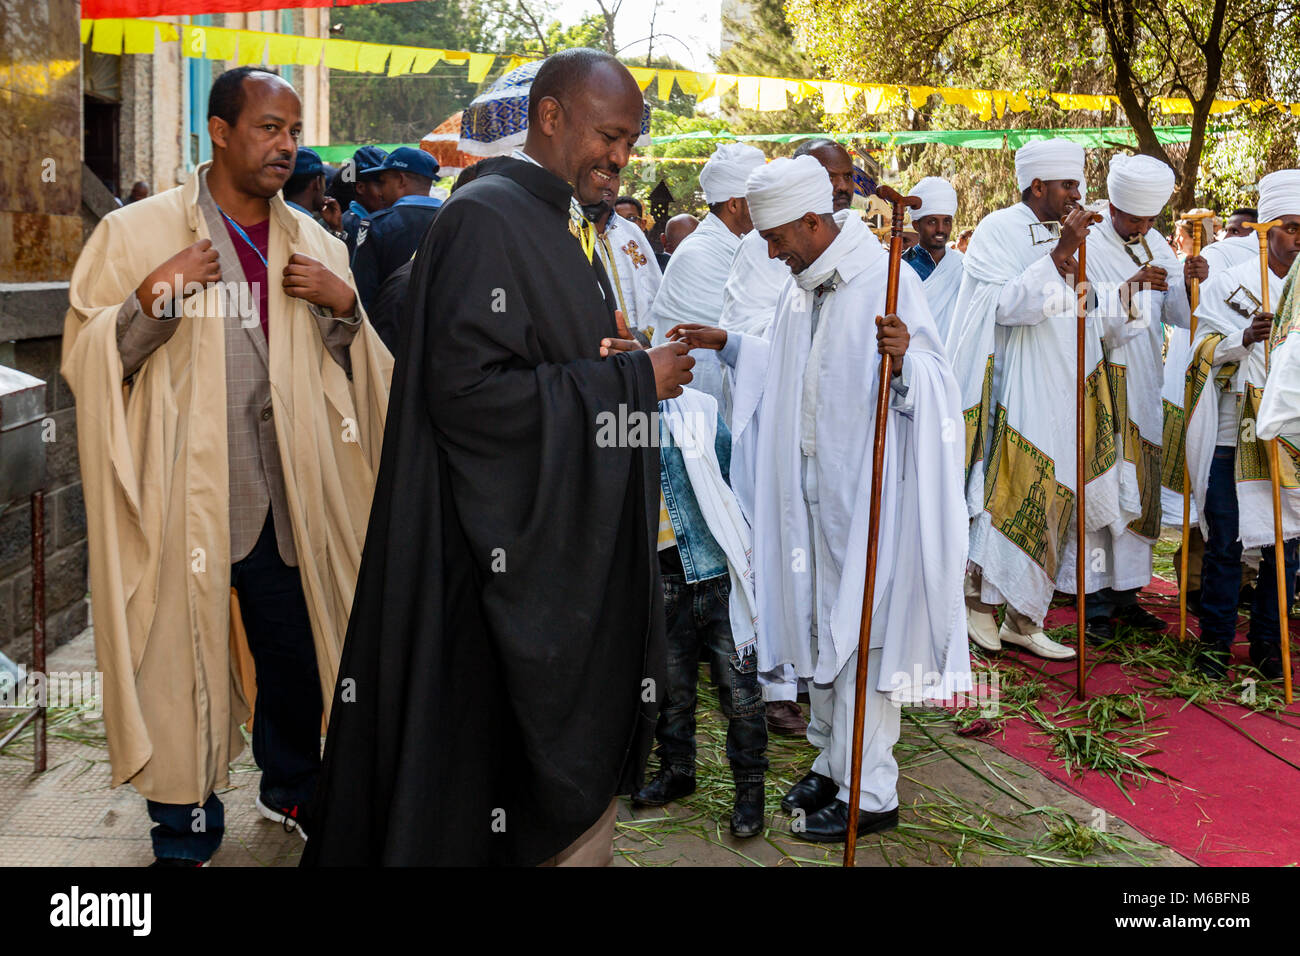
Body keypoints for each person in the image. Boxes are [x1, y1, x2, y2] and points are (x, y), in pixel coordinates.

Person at [302, 48, 695, 867]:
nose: (620, 158)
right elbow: (470, 397)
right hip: (484, 568)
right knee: (481, 781)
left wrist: (608, 361)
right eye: (609, 135)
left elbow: (536, 359)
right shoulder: (489, 216)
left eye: (631, 142)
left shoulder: (558, 222)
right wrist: (629, 378)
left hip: (542, 555)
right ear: (550, 118)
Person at [60, 66, 392, 867]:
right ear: (218, 131)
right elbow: (87, 358)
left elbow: (365, 373)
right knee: (178, 659)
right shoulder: (138, 234)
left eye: (293, 131)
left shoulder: (317, 242)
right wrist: (150, 300)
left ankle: (294, 786)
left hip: (289, 499)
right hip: (184, 494)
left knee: (301, 656)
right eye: (268, 128)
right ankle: (183, 824)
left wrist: (345, 311)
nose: (286, 145)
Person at [671, 155, 970, 842]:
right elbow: (787, 367)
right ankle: (833, 763)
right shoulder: (801, 285)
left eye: (777, 238)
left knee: (861, 635)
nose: (771, 253)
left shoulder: (884, 280)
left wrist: (907, 363)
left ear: (812, 221)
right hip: (809, 495)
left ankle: (872, 791)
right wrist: (731, 342)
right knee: (819, 627)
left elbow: (936, 384)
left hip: (865, 497)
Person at [946, 139, 1125, 661]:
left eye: (1078, 184)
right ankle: (979, 602)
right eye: (1068, 185)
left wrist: (1115, 290)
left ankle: (1026, 617)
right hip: (1015, 386)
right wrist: (1060, 254)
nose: (1077, 194)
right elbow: (1002, 306)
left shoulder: (1082, 236)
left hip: (1070, 384)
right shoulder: (998, 230)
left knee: (1057, 494)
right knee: (1010, 489)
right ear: (1037, 186)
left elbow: (1100, 312)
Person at [626, 376, 768, 838]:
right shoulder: (617, 421)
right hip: (662, 578)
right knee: (672, 687)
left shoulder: (697, 409)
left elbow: (734, 482)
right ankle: (677, 771)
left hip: (716, 571)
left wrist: (748, 559)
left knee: (740, 692)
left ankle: (749, 790)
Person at [1184, 170, 1300, 679]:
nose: (1298, 238)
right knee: (1228, 545)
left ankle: (1270, 645)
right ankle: (1213, 643)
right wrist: (1244, 338)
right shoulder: (1231, 285)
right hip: (1234, 432)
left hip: (1291, 436)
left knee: (1286, 547)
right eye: (1291, 227)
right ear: (1266, 229)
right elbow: (1201, 352)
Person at [1074, 154, 1190, 642]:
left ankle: (1128, 595)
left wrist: (1190, 278)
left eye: (1149, 219)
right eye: (1133, 218)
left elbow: (1181, 315)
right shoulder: (1086, 241)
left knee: (1138, 488)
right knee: (1103, 483)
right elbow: (1081, 312)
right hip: (1102, 377)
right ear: (1114, 206)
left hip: (1144, 379)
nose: (1141, 227)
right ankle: (1095, 602)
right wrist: (1130, 287)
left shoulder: (1156, 241)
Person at [650, 143, 765, 406]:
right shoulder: (699, 253)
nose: (765, 205)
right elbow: (742, 331)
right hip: (699, 401)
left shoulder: (739, 243)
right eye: (757, 198)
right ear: (735, 204)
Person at [351, 146, 442, 336]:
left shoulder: (377, 225)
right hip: (441, 339)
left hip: (391, 341)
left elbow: (362, 295)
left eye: (383, 182)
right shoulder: (455, 220)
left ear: (400, 180)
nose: (381, 192)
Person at [588, 172, 663, 336]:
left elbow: (652, 284)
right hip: (595, 337)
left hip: (640, 334)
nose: (607, 183)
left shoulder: (631, 232)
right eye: (598, 174)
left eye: (612, 176)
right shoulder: (571, 229)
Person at [902, 176, 965, 340]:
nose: (940, 229)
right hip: (913, 358)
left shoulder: (963, 266)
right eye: (932, 222)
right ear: (916, 225)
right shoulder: (901, 267)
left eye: (946, 221)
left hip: (954, 358)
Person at [329, 146, 389, 257]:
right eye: (380, 184)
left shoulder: (379, 224)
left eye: (388, 184)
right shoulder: (350, 227)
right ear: (360, 187)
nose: (385, 192)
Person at [792, 138, 856, 212]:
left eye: (847, 177)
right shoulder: (782, 222)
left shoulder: (855, 223)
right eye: (829, 177)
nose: (843, 187)